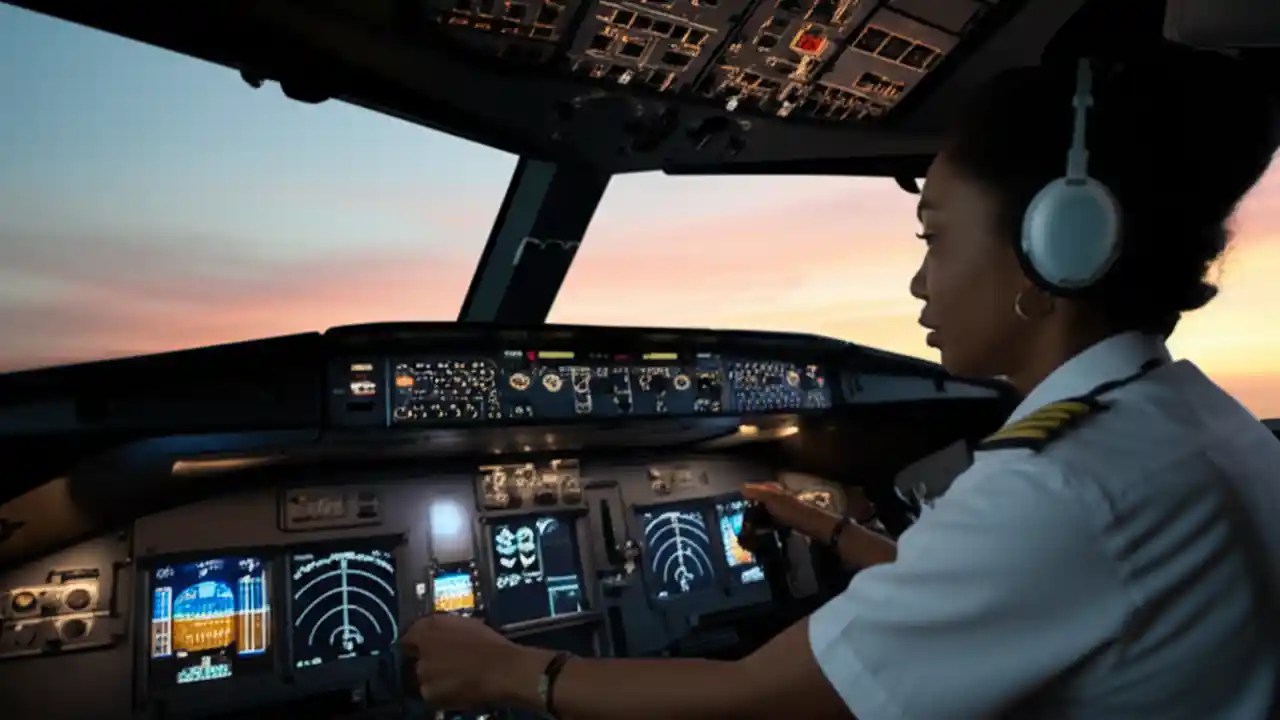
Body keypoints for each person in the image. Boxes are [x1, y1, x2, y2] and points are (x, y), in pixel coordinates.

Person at [401, 47, 1280, 719]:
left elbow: (754, 699)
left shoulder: (1060, 483)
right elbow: (1002, 591)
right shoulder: (1185, 419)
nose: (919, 284)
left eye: (933, 237)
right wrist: (831, 529)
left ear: (1056, 248)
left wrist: (511, 670)